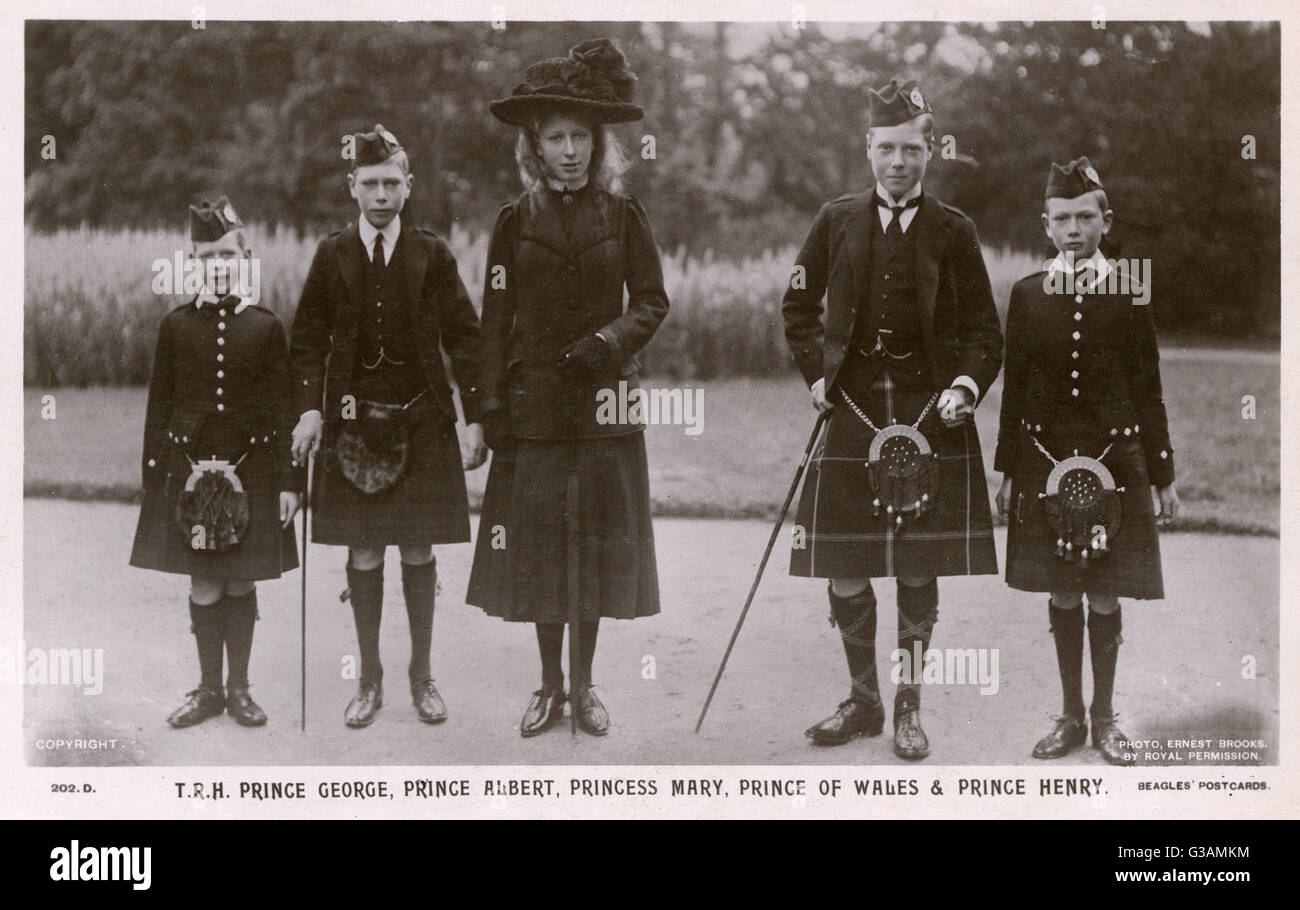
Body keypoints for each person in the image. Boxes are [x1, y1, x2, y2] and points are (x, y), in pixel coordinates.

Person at [783, 78, 1003, 759]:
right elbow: (797, 304)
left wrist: (965, 387)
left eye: (912, 148)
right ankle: (863, 701)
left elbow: (983, 333)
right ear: (868, 148)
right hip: (851, 412)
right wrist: (816, 374)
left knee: (915, 565)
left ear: (930, 151)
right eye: (887, 148)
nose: (898, 162)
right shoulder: (835, 218)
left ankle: (909, 705)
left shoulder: (953, 231)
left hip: (929, 416)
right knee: (844, 563)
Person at [467, 38, 669, 737]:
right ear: (534, 145)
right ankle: (549, 685)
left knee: (592, 550)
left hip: (605, 409)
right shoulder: (512, 223)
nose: (571, 150)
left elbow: (651, 302)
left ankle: (585, 687)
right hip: (536, 414)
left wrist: (609, 342)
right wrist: (487, 409)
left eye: (581, 136)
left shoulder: (622, 216)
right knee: (542, 553)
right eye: (556, 137)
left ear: (599, 142)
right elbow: (494, 324)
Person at [289, 124, 486, 729]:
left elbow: (465, 337)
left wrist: (474, 417)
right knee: (365, 546)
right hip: (352, 423)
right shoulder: (332, 255)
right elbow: (307, 342)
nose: (380, 194)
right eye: (369, 183)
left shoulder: (432, 252)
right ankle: (369, 679)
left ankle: (421, 677)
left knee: (419, 546)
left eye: (391, 183)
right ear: (353, 188)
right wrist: (310, 407)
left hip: (422, 418)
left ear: (409, 186)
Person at [994, 157, 1178, 765]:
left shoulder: (1131, 289)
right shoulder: (1026, 294)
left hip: (1118, 460)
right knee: (1062, 587)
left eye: (1084, 217)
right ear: (1046, 227)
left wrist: (1163, 474)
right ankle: (1070, 716)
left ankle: (1105, 719)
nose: (1073, 229)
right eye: (1061, 219)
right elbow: (1015, 387)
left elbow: (1148, 385)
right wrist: (1005, 470)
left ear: (1105, 220)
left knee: (1104, 590)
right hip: (1045, 460)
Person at [130, 197, 301, 728]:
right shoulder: (175, 327)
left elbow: (283, 409)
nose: (218, 266)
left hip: (252, 474)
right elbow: (159, 408)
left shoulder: (267, 327)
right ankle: (207, 690)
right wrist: (153, 478)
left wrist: (290, 483)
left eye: (227, 255)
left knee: (241, 581)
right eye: (206, 258)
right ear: (192, 263)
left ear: (244, 257)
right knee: (204, 583)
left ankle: (240, 690)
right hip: (189, 476)